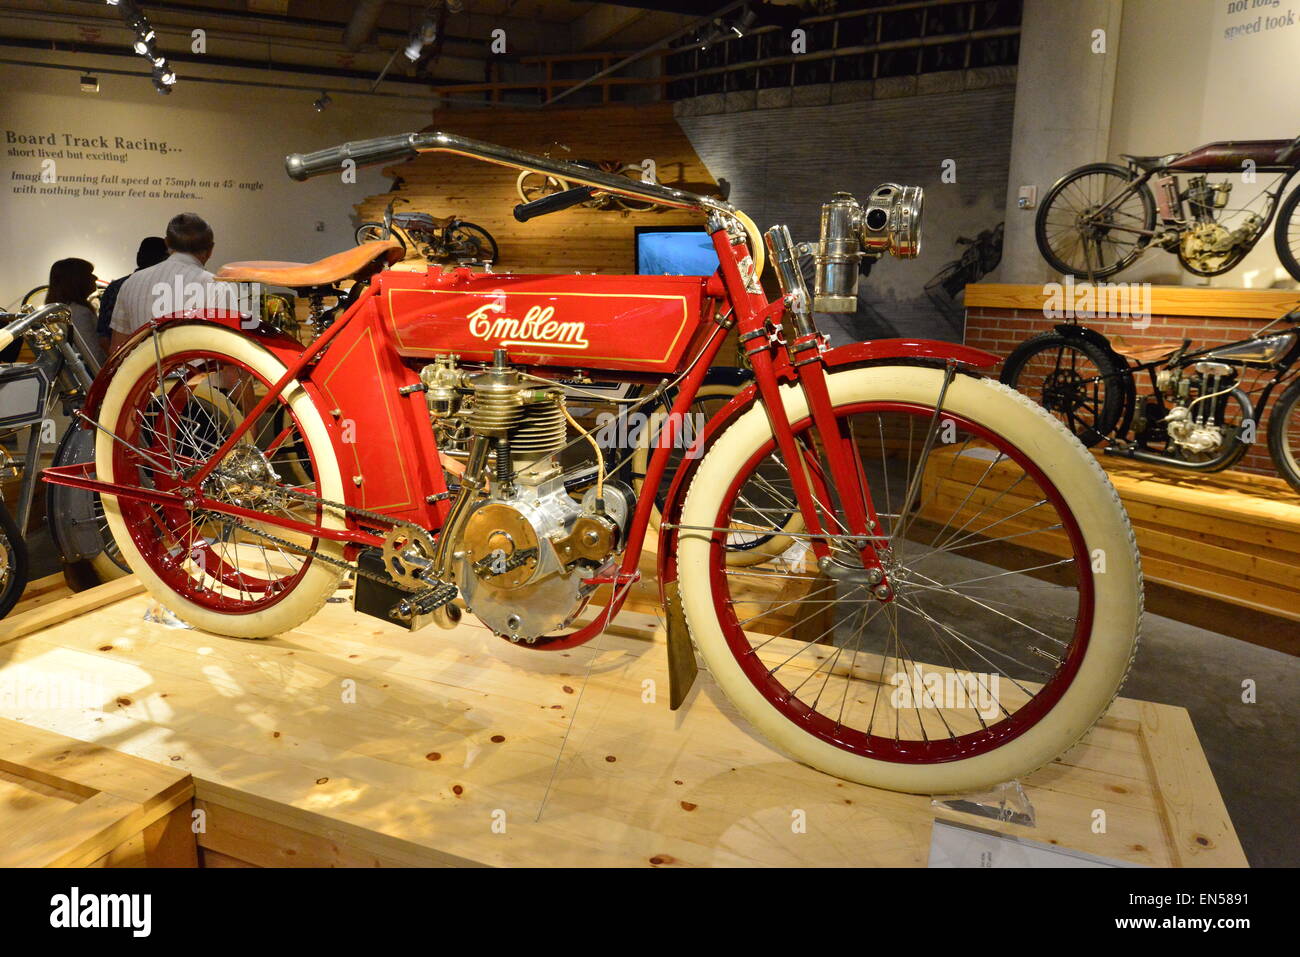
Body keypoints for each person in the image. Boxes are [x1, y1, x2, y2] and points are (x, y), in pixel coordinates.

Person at [110, 213, 218, 355]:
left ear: (167, 243)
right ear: (210, 250)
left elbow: (117, 351)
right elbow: (231, 353)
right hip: (199, 376)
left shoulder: (131, 283)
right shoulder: (217, 286)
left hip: (145, 375)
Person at [97, 236, 168, 352]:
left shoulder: (116, 286)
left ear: (138, 255)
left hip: (127, 358)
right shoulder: (166, 286)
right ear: (165, 258)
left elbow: (104, 336)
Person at [44, 258, 106, 366]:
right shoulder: (79, 312)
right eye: (89, 274)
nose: (95, 277)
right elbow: (92, 354)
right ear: (77, 280)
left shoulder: (56, 309)